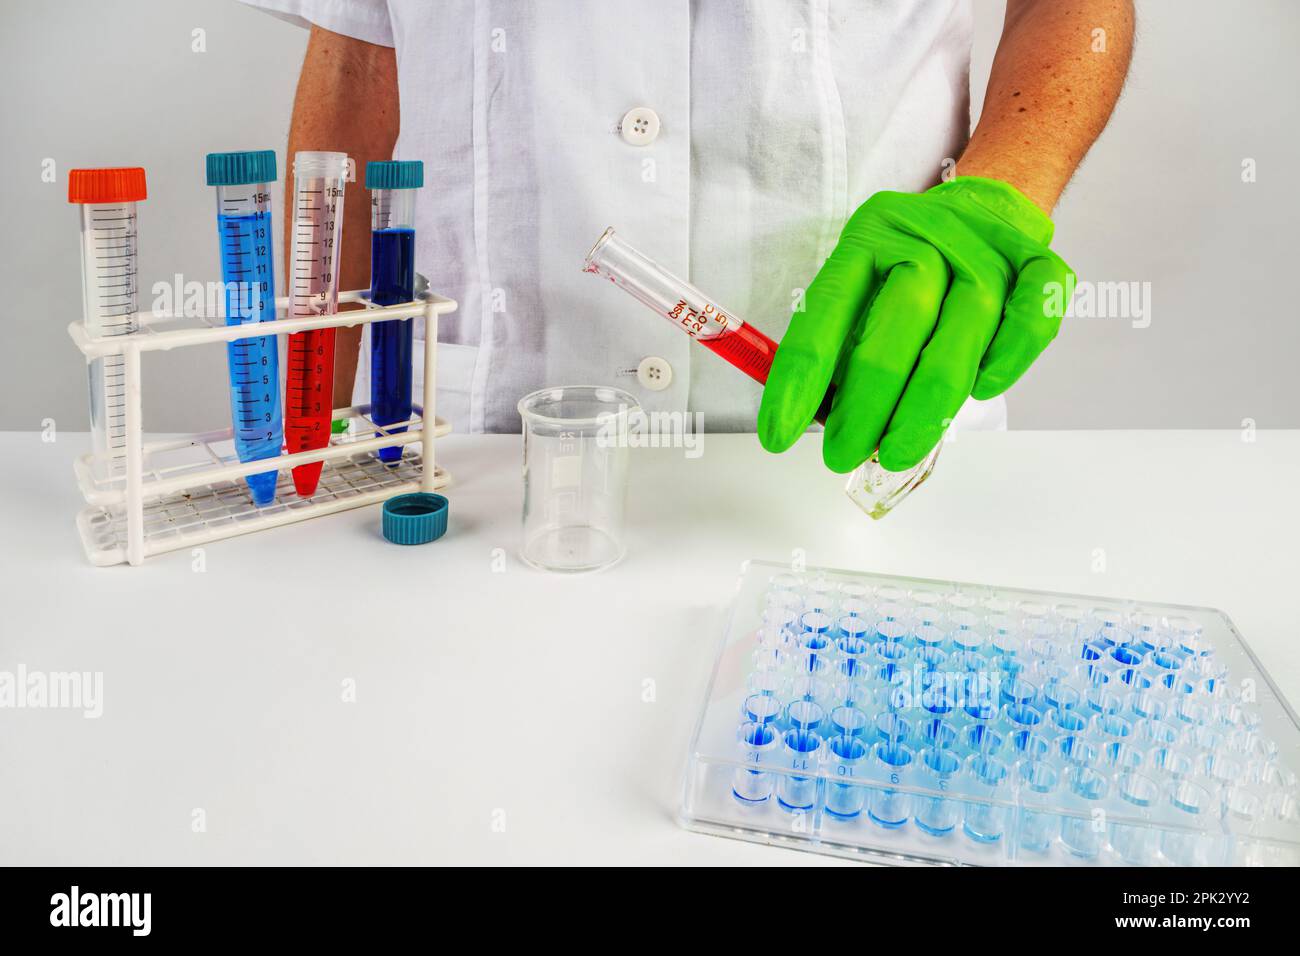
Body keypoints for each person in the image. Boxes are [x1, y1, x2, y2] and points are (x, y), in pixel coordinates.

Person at [246, 0, 1132, 472]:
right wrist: (308, 426)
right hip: (477, 450)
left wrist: (999, 193)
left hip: (867, 423)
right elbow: (357, 54)